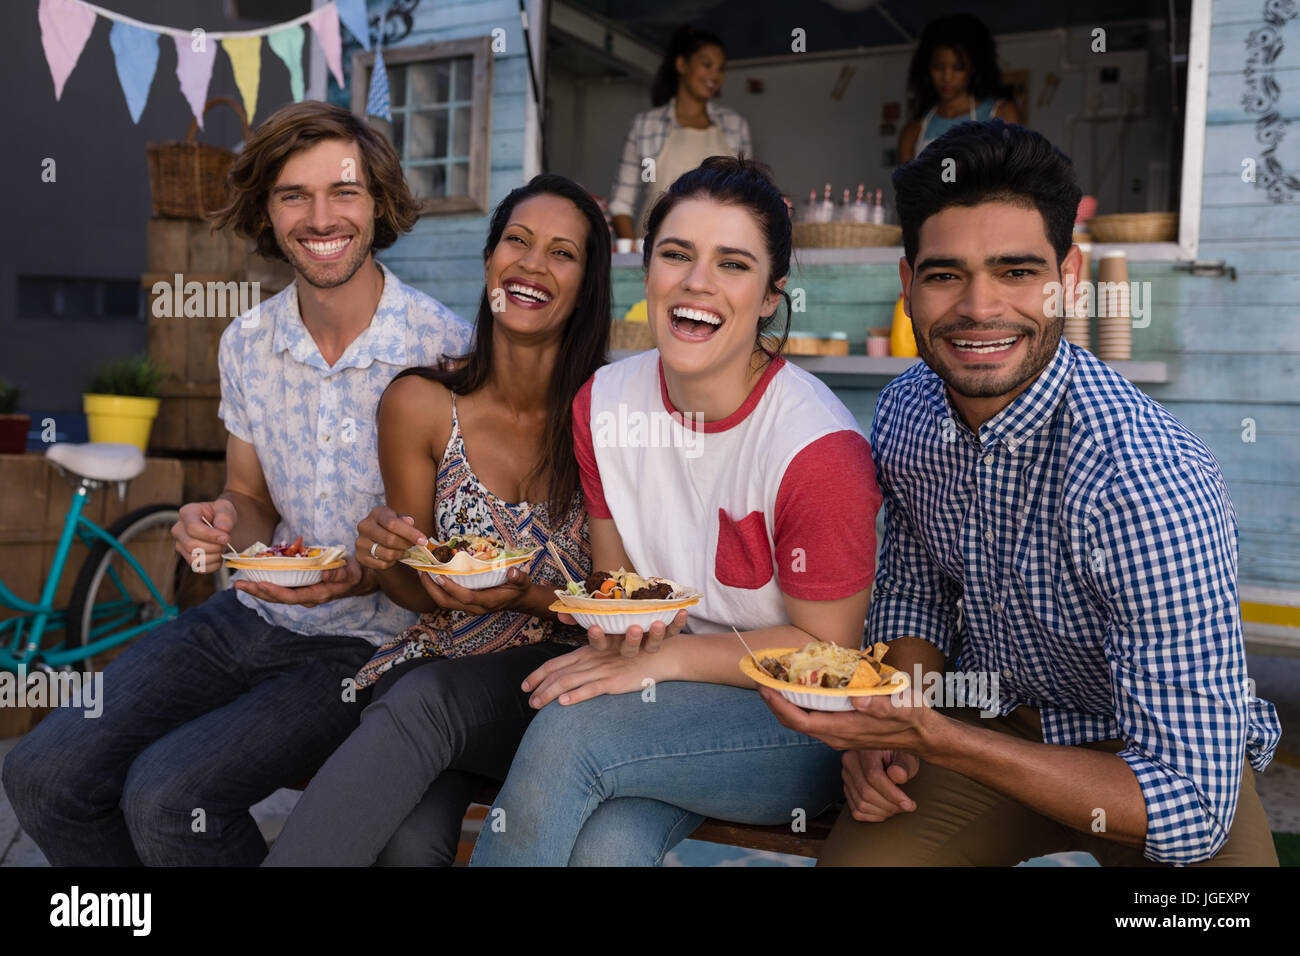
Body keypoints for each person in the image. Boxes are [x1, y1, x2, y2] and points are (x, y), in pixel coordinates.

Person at [760, 119, 1282, 867]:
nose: (979, 307)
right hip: (993, 724)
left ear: (1067, 279)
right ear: (908, 287)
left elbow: (1193, 808)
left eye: (1015, 272)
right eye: (945, 275)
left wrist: (937, 736)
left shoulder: (1146, 480)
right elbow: (916, 591)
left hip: (1153, 758)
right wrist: (890, 728)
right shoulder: (909, 411)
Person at [1, 101, 472, 866]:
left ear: (378, 202)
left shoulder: (446, 350)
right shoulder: (248, 343)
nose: (321, 217)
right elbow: (251, 497)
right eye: (294, 195)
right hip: (250, 617)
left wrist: (370, 570)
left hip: (371, 647)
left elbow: (465, 547)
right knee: (40, 773)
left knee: (167, 795)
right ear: (267, 210)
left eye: (344, 191)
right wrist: (218, 522)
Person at [469, 156, 883, 867]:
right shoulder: (602, 405)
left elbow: (830, 658)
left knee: (570, 734)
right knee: (606, 848)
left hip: (798, 723)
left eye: (733, 264)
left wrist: (667, 659)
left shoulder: (817, 449)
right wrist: (639, 657)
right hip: (663, 698)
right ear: (647, 274)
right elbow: (621, 597)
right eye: (677, 255)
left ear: (771, 296)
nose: (698, 282)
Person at [263, 175, 611, 866]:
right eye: (517, 240)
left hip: (562, 688)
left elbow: (621, 598)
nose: (533, 263)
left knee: (424, 700)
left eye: (562, 253)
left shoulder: (607, 415)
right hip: (443, 677)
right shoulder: (421, 402)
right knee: (407, 844)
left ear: (586, 287)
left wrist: (528, 598)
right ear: (489, 262)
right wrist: (390, 557)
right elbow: (420, 595)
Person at [608, 26, 752, 240]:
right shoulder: (646, 125)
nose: (715, 75)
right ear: (682, 64)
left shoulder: (735, 126)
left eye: (721, 68)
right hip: (656, 246)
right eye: (707, 64)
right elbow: (621, 202)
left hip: (721, 243)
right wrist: (631, 255)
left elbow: (747, 196)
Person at [898, 14, 1020, 163]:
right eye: (939, 67)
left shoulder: (1001, 114)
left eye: (958, 68)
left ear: (973, 68)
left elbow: (1017, 178)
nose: (947, 77)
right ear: (927, 68)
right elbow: (907, 186)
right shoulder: (913, 133)